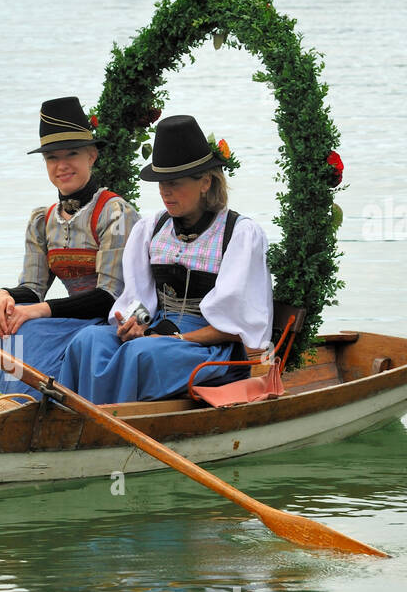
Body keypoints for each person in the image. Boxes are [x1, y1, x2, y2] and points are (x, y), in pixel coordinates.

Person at [58, 114, 273, 404]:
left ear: (205, 182)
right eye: (160, 182)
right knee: (87, 341)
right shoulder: (151, 229)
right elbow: (141, 300)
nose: (164, 191)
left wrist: (177, 340)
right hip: (158, 333)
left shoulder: (239, 234)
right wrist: (137, 323)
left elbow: (236, 329)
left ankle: (114, 425)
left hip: (209, 348)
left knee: (141, 353)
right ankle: (74, 420)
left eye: (174, 183)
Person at [0, 96, 138, 414]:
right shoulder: (42, 219)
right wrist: (3, 296)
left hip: (107, 322)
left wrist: (36, 311)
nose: (61, 166)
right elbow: (32, 289)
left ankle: (12, 411)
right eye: (52, 157)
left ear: (92, 155)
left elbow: (110, 296)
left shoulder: (115, 213)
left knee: (28, 328)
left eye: (72, 154)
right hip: (68, 317)